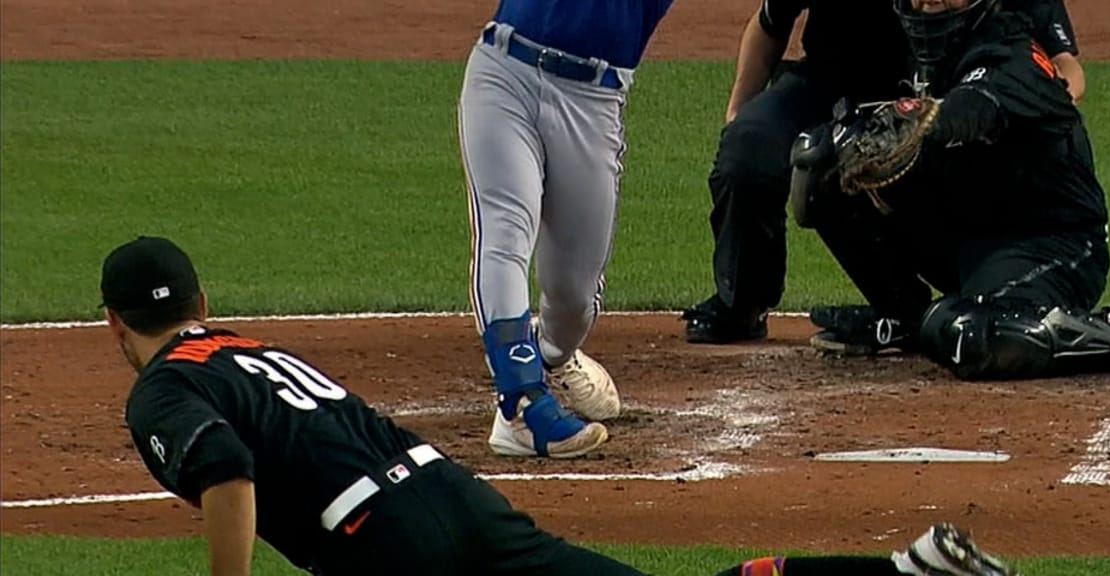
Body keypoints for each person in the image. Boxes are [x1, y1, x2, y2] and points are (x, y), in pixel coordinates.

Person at [101, 235, 1017, 576]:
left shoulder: (164, 387)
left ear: (114, 324)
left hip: (380, 544)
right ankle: (905, 572)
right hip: (455, 496)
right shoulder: (249, 350)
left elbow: (225, 470)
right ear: (203, 303)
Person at [425, 0, 752, 458]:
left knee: (573, 292)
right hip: (504, 71)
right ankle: (521, 407)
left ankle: (551, 354)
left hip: (591, 101)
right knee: (505, 229)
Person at [683, 0, 1085, 344]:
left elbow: (1063, 64)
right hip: (833, 80)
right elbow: (769, 24)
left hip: (944, 96)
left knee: (932, 166)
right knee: (748, 152)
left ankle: (917, 307)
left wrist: (1018, 114)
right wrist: (739, 109)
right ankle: (741, 303)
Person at [786, 0, 1110, 380]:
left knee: (975, 336)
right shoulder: (915, 54)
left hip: (1048, 244)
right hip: (965, 232)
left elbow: (971, 108)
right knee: (823, 161)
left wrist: (923, 123)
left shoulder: (1014, 55)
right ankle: (906, 317)